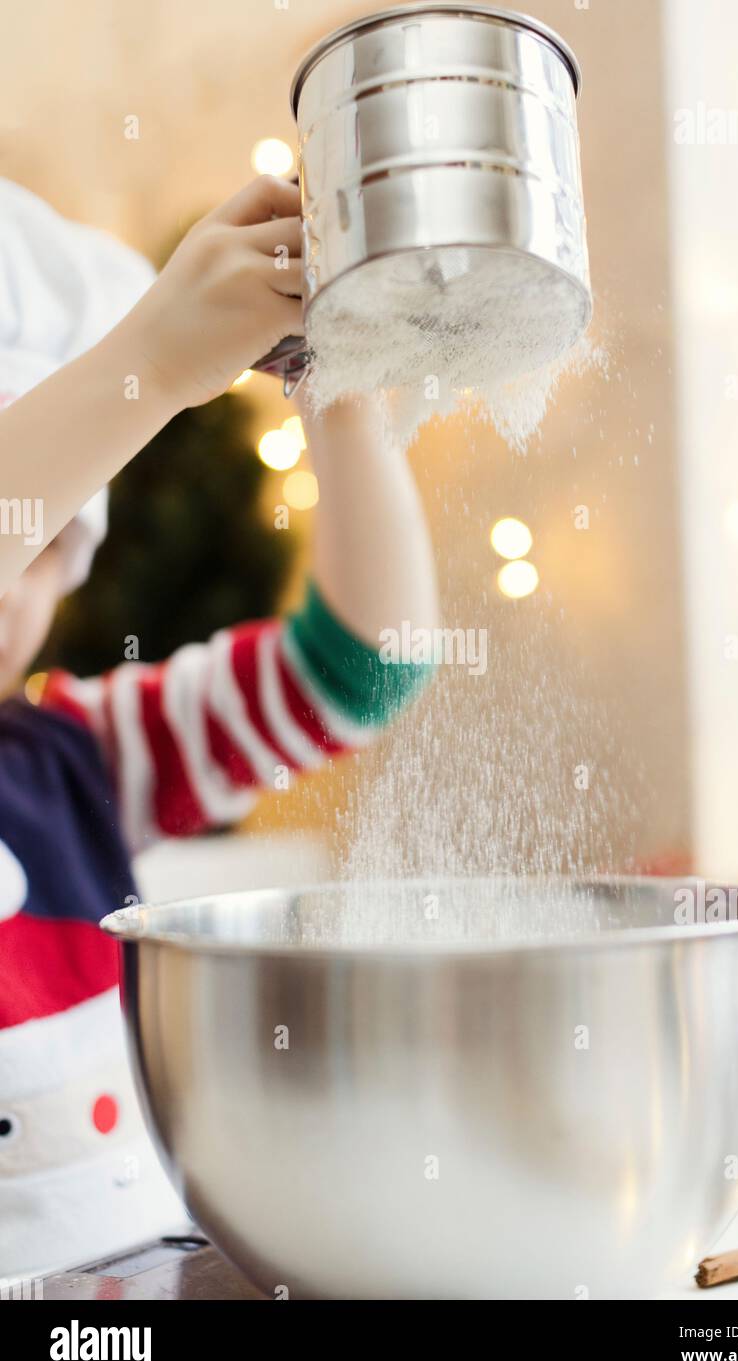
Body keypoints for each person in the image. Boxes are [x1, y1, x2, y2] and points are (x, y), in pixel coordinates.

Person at [0, 175, 439, 1279]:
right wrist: (142, 366)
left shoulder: (85, 753)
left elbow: (362, 671)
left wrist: (334, 388)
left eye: (51, 548)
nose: (15, 590)